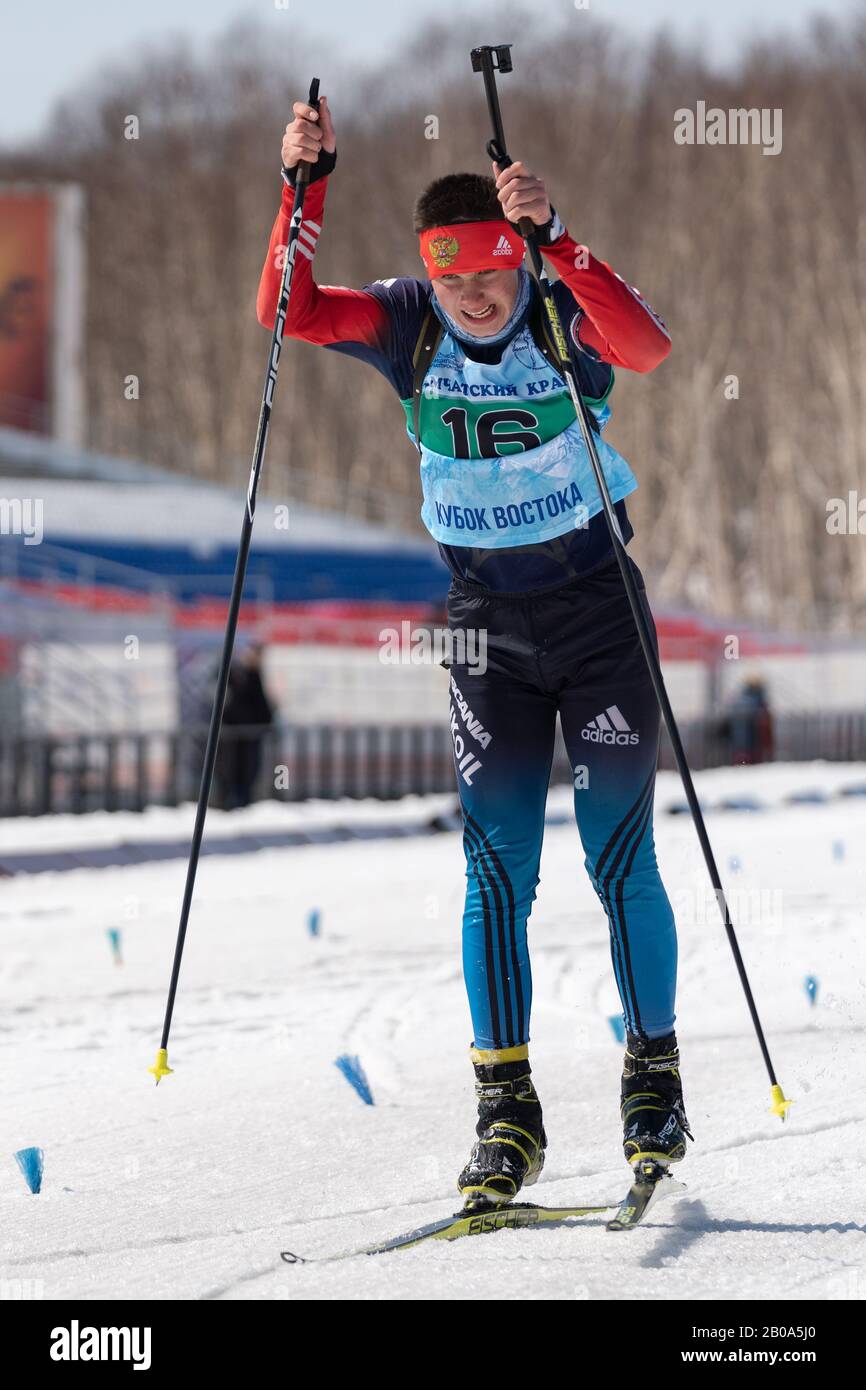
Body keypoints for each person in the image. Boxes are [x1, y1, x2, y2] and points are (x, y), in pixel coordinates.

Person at [257, 94, 691, 1210]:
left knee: (616, 855)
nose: (471, 299)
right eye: (453, 283)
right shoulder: (407, 321)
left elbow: (643, 346)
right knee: (496, 867)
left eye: (487, 278)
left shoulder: (555, 309)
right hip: (482, 625)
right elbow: (289, 315)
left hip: (596, 612)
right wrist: (302, 189)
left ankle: (651, 1078)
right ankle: (507, 1113)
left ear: (513, 261)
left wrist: (557, 241)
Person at [217, 643, 275, 808]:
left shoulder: (254, 674)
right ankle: (234, 799)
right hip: (238, 732)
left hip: (250, 731)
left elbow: (260, 704)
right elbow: (240, 703)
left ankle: (242, 799)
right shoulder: (239, 674)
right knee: (235, 768)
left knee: (248, 769)